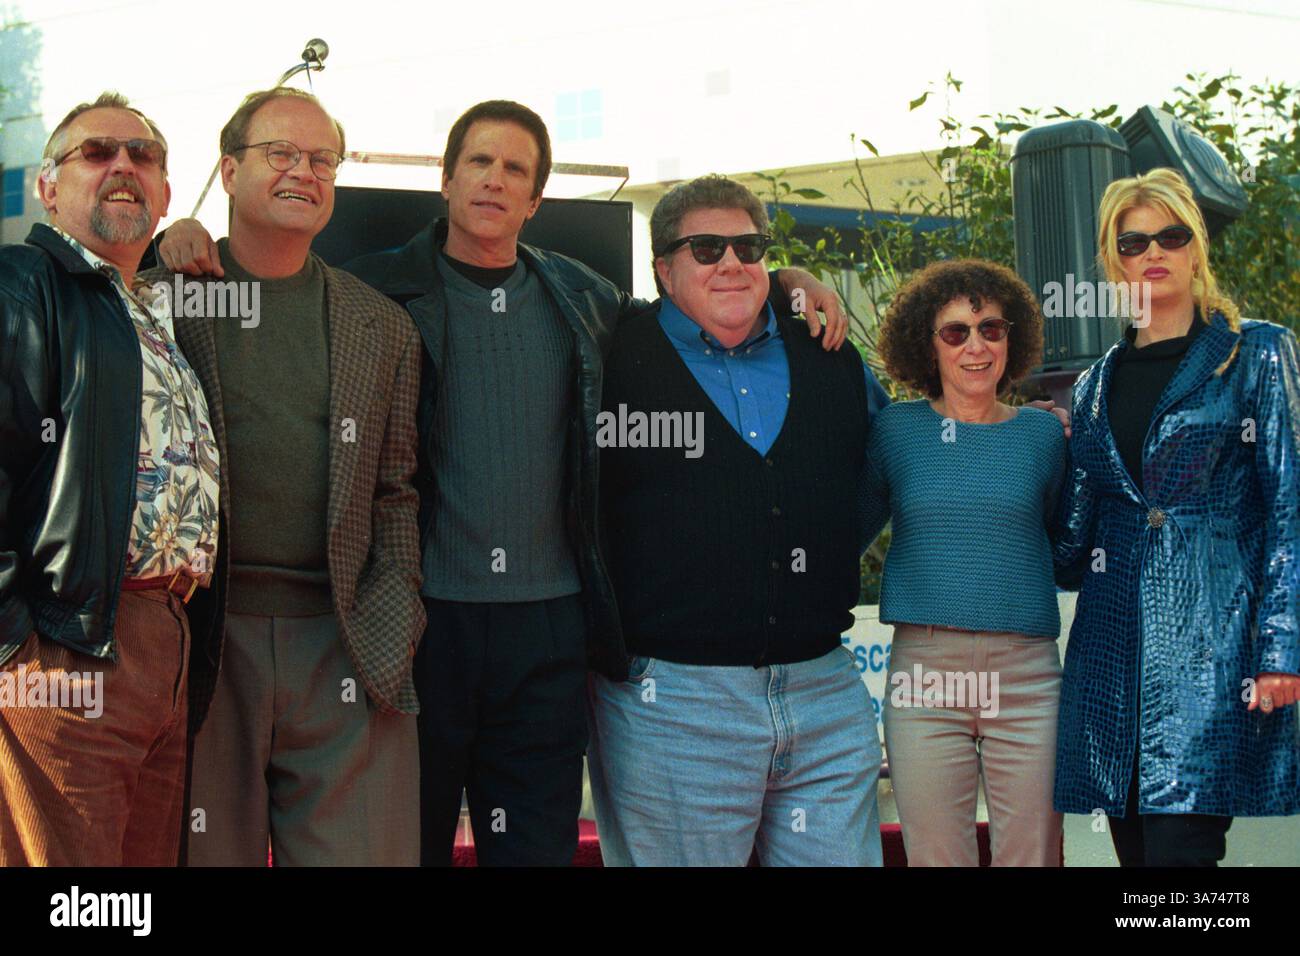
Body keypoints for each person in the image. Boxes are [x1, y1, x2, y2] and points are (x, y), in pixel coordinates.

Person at [159, 100, 847, 866]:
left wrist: (783, 276)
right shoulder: (376, 293)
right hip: (417, 625)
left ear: (537, 199)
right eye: (479, 163)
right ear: (446, 180)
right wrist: (178, 240)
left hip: (550, 631)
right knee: (395, 845)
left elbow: (697, 303)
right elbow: (264, 280)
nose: (494, 181)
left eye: (515, 169)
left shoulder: (586, 301)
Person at [145, 87, 424, 866]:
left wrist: (396, 609)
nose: (306, 171)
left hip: (348, 644)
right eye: (282, 154)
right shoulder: (164, 301)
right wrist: (165, 242)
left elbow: (397, 488)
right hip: (202, 643)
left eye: (322, 159)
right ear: (229, 171)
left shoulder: (382, 325)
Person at [587, 174, 888, 866]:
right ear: (663, 267)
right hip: (672, 703)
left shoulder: (829, 351)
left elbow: (878, 476)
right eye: (706, 247)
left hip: (824, 694)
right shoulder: (608, 355)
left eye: (750, 248)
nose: (731, 262)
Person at [1053, 167, 1300, 866]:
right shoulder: (1093, 384)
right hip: (1110, 658)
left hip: (1212, 649)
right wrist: (1022, 450)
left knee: (1181, 856)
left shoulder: (1253, 352)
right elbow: (1073, 546)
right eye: (1133, 243)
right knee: (1138, 861)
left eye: (1171, 234)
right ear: (1112, 261)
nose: (1153, 252)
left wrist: (1281, 650)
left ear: (1195, 249)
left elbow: (1291, 502)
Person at [0, 92, 218, 865]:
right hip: (65, 646)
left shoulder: (147, 305)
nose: (122, 164)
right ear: (49, 186)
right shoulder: (21, 284)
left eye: (143, 156)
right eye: (96, 152)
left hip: (167, 638)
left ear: (164, 193)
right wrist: (17, 653)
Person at [858, 259, 1065, 866]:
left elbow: (1064, 537)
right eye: (955, 332)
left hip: (1026, 676)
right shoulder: (896, 431)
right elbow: (843, 531)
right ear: (928, 344)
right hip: (925, 674)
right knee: (935, 857)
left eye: (992, 329)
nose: (976, 346)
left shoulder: (1043, 436)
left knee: (1034, 856)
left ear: (1012, 338)